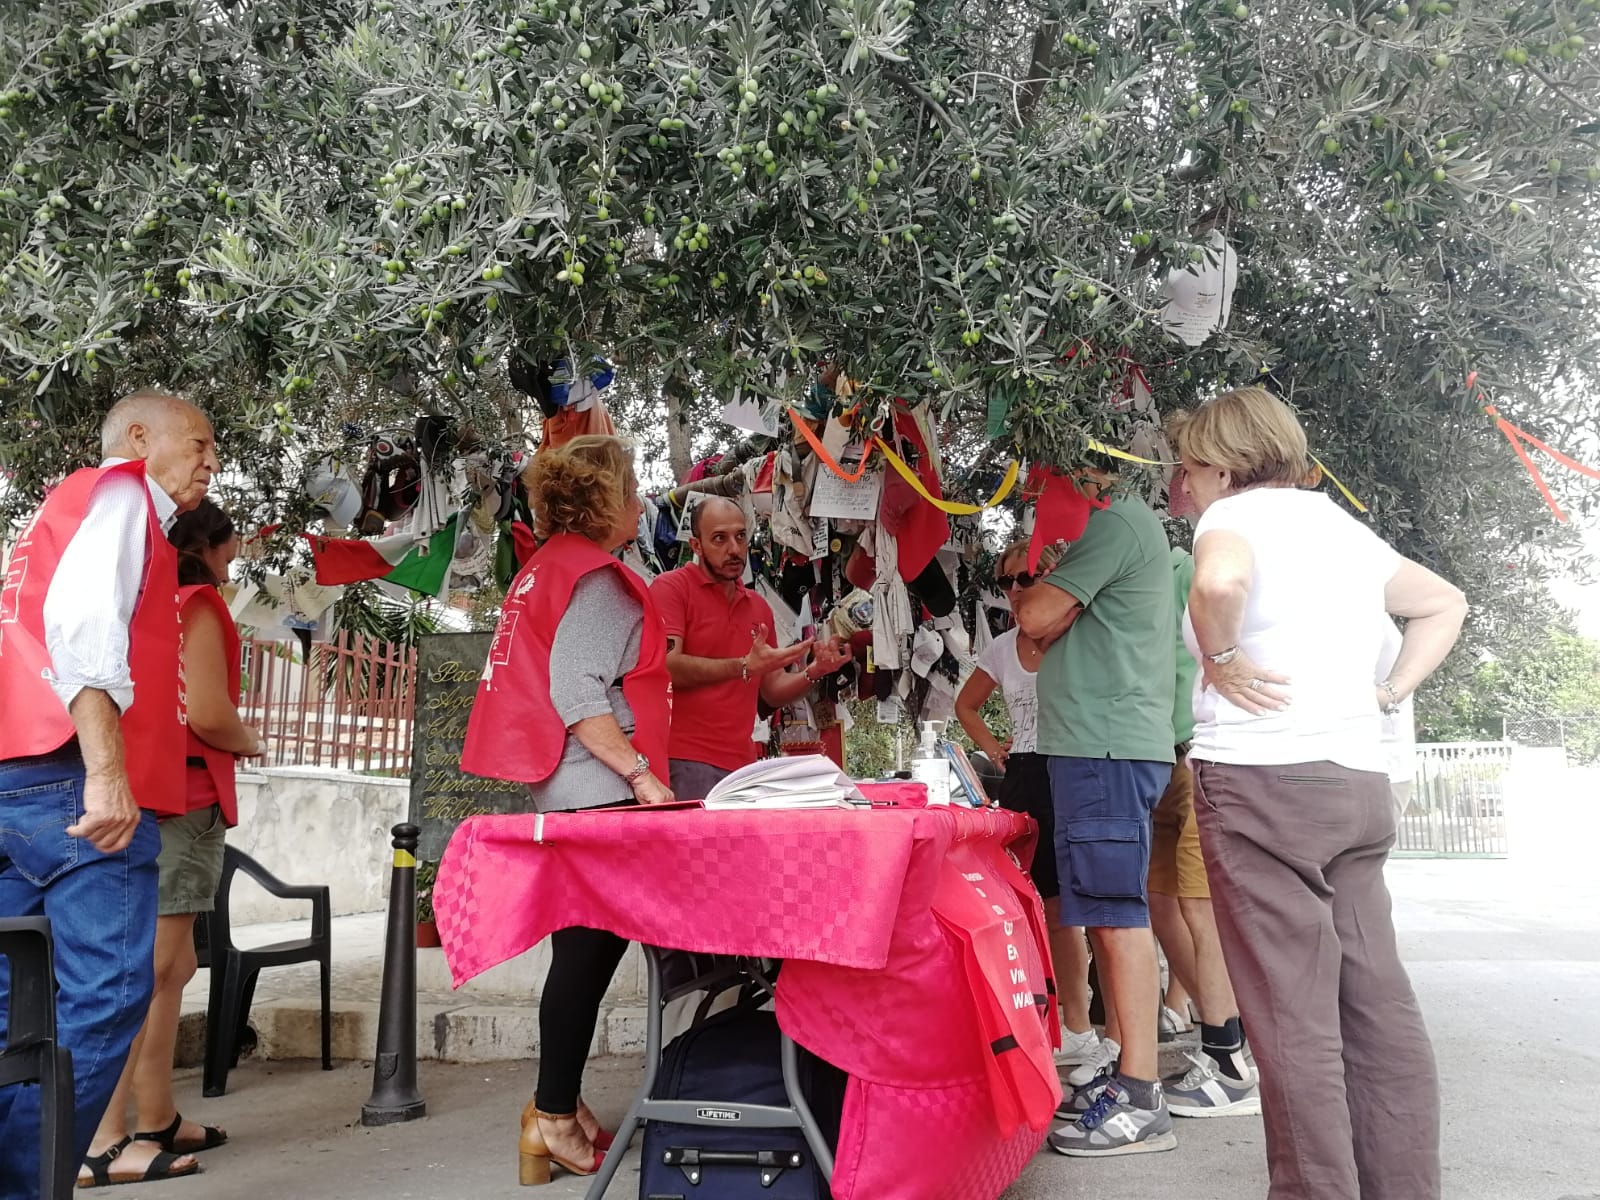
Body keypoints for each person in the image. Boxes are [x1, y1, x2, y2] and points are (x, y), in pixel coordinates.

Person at [1172, 386, 1466, 1200]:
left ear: (1224, 465)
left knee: (1290, 1018)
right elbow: (1445, 603)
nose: (1183, 485)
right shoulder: (1339, 526)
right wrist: (1388, 690)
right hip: (1355, 782)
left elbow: (1220, 583)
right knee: (1378, 1008)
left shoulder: (1236, 518)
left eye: (1188, 467)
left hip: (1264, 785)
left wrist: (1222, 658)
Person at [0, 390, 218, 1196]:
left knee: (12, 1013)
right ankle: (28, 1179)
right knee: (111, 994)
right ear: (137, 439)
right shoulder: (121, 492)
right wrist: (106, 771)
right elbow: (84, 625)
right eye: (198, 443)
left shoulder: (57, 513)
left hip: (16, 778)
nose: (211, 462)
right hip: (68, 784)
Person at [458, 435, 674, 1186]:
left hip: (570, 785)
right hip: (599, 790)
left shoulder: (546, 567)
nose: (643, 500)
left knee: (583, 953)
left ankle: (557, 1107)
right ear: (609, 501)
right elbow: (579, 693)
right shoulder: (603, 583)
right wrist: (643, 775)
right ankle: (551, 1117)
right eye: (634, 487)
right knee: (586, 955)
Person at [78, 500, 262, 1187]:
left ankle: (154, 1114)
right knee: (146, 972)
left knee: (171, 967)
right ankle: (104, 1137)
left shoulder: (147, 603)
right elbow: (209, 712)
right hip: (184, 798)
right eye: (232, 551)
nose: (233, 562)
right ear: (211, 547)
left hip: (153, 791)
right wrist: (250, 740)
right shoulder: (202, 604)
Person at [1014, 455, 1179, 1159]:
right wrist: (1046, 615)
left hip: (1107, 746)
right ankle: (1125, 1067)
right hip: (1096, 747)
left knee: (1114, 915)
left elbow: (1034, 616)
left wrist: (1046, 606)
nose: (1030, 490)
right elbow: (1028, 647)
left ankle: (1142, 1096)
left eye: (1037, 474)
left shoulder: (1113, 525)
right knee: (1102, 913)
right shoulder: (1111, 532)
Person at [954, 540, 1097, 1067]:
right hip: (1023, 780)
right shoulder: (1001, 647)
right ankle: (1035, 1017)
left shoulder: (1078, 634)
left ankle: (1077, 1025)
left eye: (1027, 577)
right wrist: (995, 749)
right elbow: (965, 705)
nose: (1016, 590)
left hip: (1073, 769)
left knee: (1065, 912)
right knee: (1020, 905)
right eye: (1007, 581)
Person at [1149, 545, 1258, 1119]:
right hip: (1157, 750)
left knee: (1200, 905)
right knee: (1162, 900)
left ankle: (1231, 1061)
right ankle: (1230, 1035)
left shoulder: (1195, 565)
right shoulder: (1156, 568)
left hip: (1201, 748)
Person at [650, 496, 850, 800]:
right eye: (719, 538)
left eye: (740, 536)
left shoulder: (758, 606)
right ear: (696, 545)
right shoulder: (671, 588)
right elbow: (666, 666)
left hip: (744, 767)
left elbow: (771, 691)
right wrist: (743, 666)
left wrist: (815, 671)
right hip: (683, 759)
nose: (734, 548)